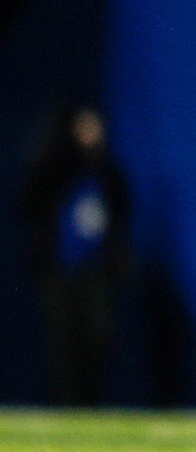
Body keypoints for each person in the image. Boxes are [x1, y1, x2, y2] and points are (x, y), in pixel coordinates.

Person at [21, 104, 131, 405]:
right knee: (64, 343)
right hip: (60, 272)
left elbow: (122, 215)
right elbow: (28, 206)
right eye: (84, 126)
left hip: (97, 272)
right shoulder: (54, 169)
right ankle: (67, 403)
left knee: (97, 340)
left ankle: (92, 403)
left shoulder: (108, 172)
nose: (91, 133)